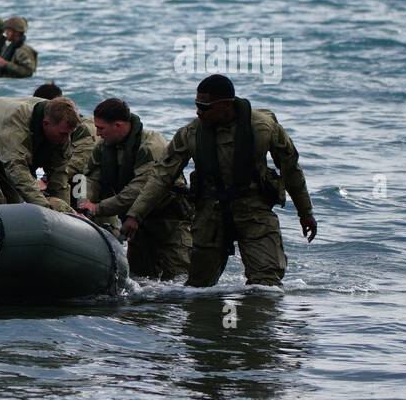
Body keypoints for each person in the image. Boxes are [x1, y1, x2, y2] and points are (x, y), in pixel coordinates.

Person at [122, 74, 317, 288]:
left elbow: (291, 170)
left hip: (254, 210)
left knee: (266, 284)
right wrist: (135, 215)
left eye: (205, 107)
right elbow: (161, 177)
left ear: (225, 105)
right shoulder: (190, 133)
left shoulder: (263, 128)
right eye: (196, 105)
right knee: (198, 287)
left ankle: (256, 319)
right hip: (210, 213)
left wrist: (305, 213)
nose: (198, 112)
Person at [78, 98, 192, 280]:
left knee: (179, 279)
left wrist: (98, 208)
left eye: (101, 128)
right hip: (136, 224)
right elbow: (89, 178)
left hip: (169, 221)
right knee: (139, 279)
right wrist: (82, 203)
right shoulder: (103, 147)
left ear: (118, 126)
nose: (98, 134)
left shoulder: (151, 147)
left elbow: (138, 190)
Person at [31, 82, 96, 183]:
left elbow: (78, 162)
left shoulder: (80, 127)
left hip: (88, 176)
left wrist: (45, 180)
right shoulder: (45, 124)